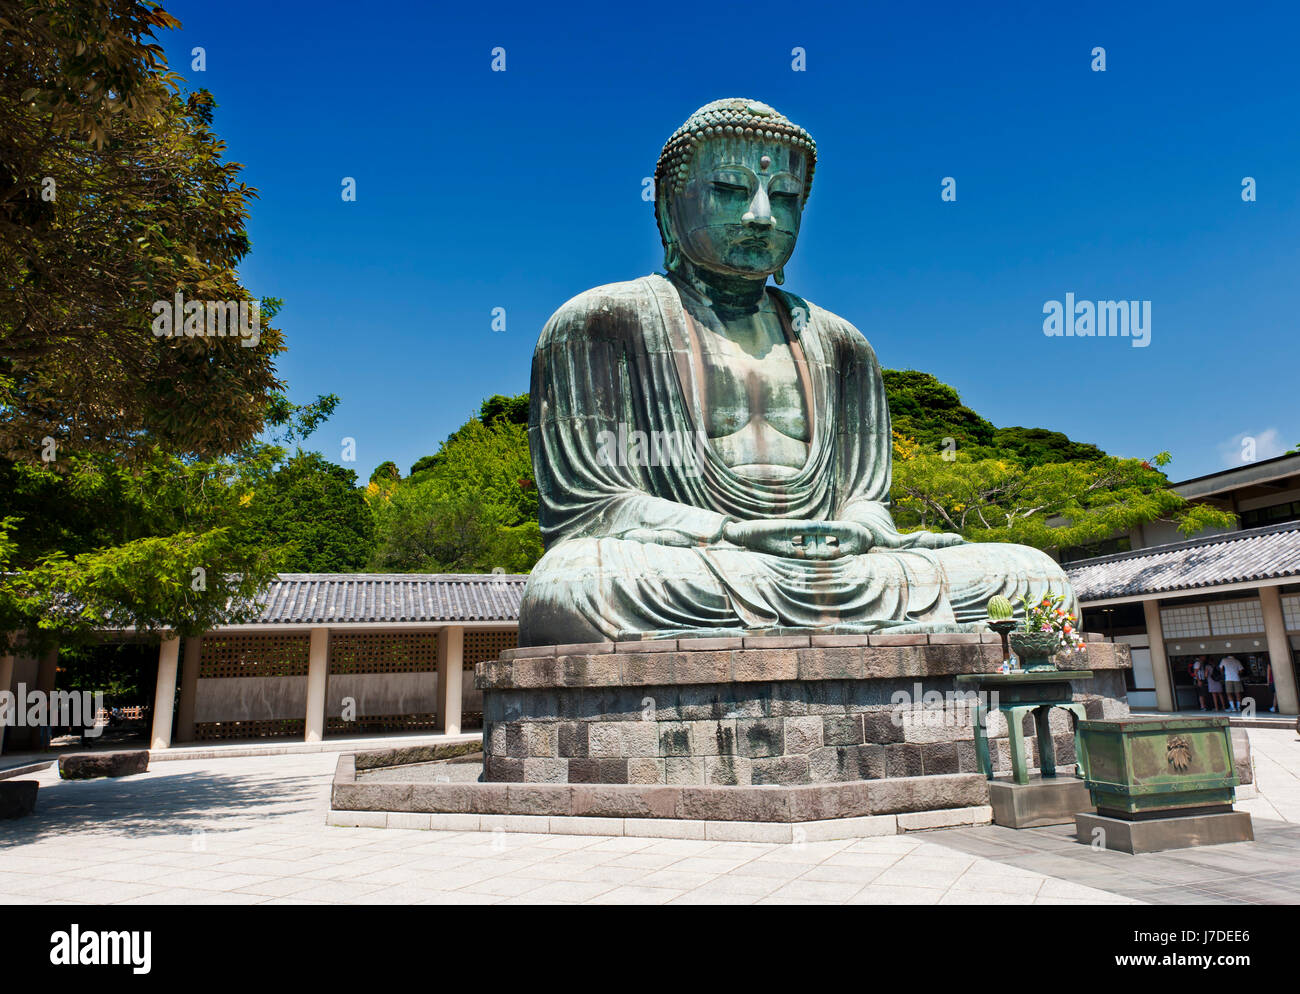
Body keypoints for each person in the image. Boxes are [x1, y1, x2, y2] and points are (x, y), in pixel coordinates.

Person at [518, 98, 1078, 645]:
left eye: (783, 197)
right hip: (697, 561)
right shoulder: (599, 323)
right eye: (731, 189)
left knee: (1033, 577)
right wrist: (728, 530)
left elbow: (863, 498)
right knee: (574, 583)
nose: (761, 215)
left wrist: (861, 529)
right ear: (669, 206)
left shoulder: (841, 343)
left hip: (838, 567)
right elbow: (593, 508)